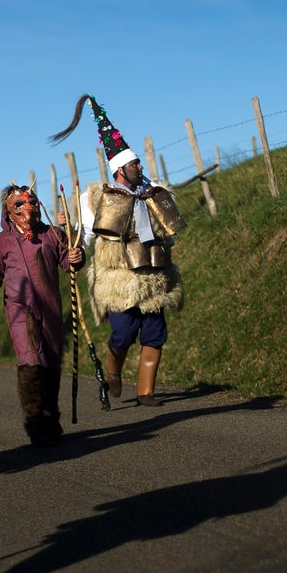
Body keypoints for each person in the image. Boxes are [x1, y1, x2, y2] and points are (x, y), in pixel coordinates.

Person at [53, 94, 185, 407]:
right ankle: (113, 370)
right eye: (134, 163)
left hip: (152, 274)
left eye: (138, 162)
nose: (140, 166)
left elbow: (165, 233)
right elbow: (84, 234)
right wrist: (72, 245)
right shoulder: (98, 198)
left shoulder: (151, 193)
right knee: (123, 334)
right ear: (119, 169)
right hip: (118, 278)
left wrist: (168, 268)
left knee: (155, 335)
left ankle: (146, 392)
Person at [0, 184, 84, 446]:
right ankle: (35, 423)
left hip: (50, 307)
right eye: (19, 205)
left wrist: (75, 255)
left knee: (50, 361)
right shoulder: (1, 240)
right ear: (8, 211)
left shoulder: (52, 234)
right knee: (30, 359)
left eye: (31, 202)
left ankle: (51, 418)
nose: (26, 208)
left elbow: (67, 260)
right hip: (19, 308)